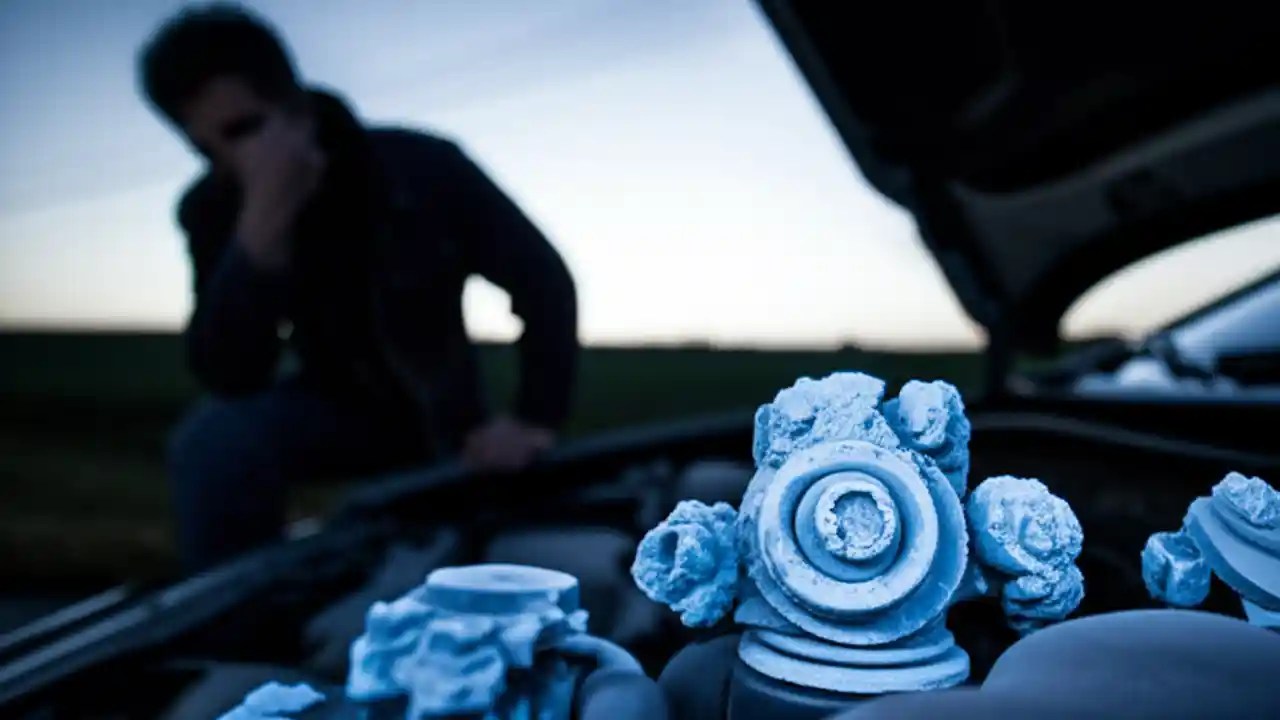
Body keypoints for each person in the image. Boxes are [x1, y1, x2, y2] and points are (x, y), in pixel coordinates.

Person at [138, 4, 579, 573]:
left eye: (242, 130)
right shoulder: (212, 208)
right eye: (206, 147)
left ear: (290, 102)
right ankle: (241, 640)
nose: (233, 160)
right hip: (332, 409)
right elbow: (231, 374)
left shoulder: (420, 167)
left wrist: (532, 419)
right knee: (211, 441)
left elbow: (542, 280)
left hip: (445, 418)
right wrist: (260, 232)